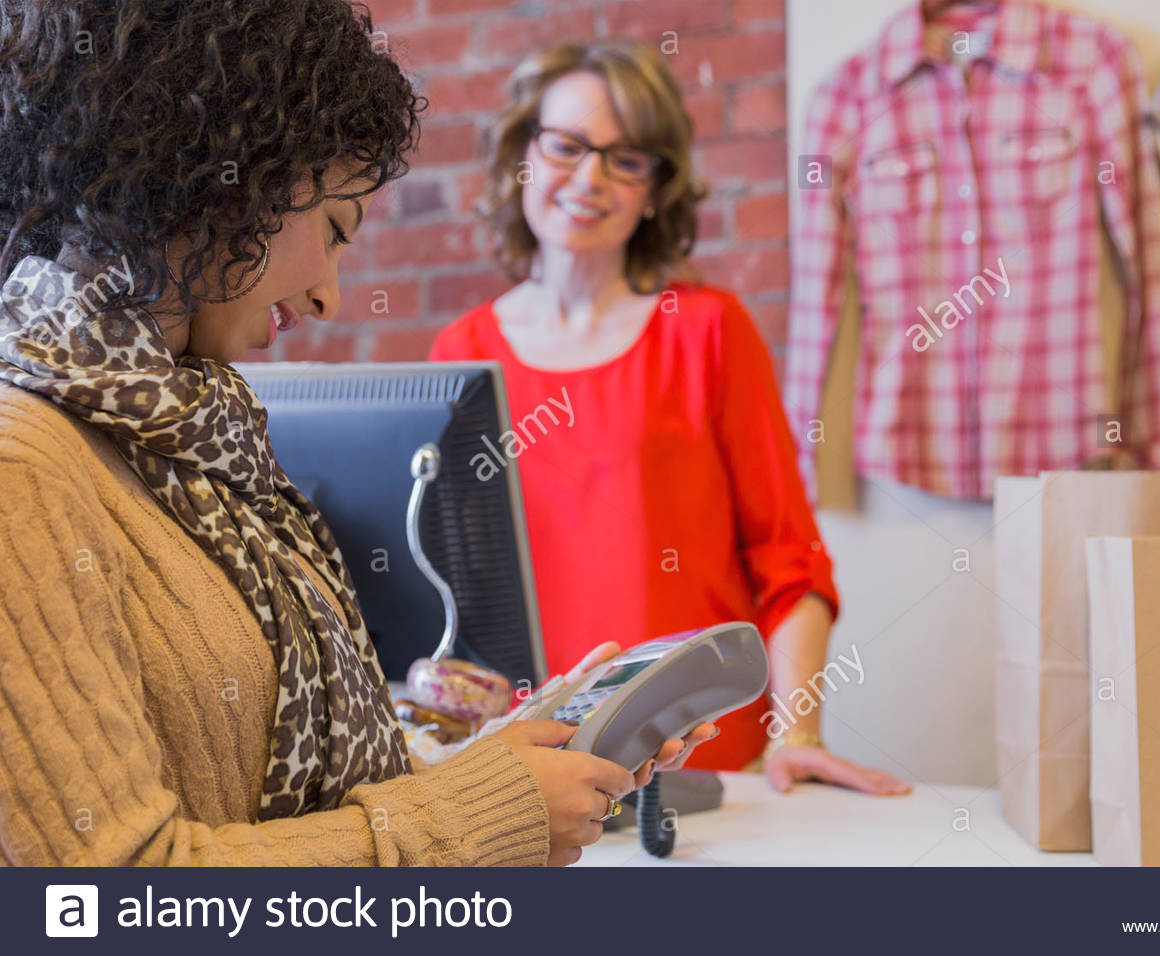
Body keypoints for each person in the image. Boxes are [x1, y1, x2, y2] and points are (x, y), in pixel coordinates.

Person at [0, 0, 710, 868]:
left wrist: (510, 759)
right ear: (229, 180)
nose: (332, 295)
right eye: (336, 230)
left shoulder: (192, 445)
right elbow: (106, 897)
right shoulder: (23, 468)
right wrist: (480, 820)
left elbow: (281, 799)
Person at [430, 39, 911, 796]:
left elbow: (791, 566)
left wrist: (797, 734)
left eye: (626, 159)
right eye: (566, 146)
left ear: (655, 188)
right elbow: (447, 596)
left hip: (700, 769)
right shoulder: (460, 354)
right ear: (524, 155)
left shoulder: (709, 331)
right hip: (527, 776)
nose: (589, 178)